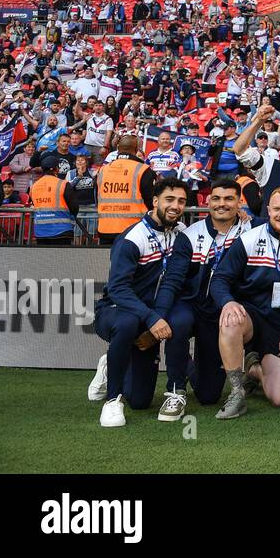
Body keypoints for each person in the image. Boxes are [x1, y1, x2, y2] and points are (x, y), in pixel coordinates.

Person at [88, 178, 194, 428]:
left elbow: (173, 282)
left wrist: (156, 319)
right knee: (127, 323)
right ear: (155, 201)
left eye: (181, 201)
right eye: (169, 199)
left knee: (140, 400)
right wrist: (151, 319)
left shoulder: (181, 236)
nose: (175, 206)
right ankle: (112, 400)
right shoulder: (133, 237)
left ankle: (114, 362)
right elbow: (118, 288)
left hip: (150, 314)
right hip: (118, 310)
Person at [210, 187, 280, 419]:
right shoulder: (249, 238)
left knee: (279, 397)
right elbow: (220, 278)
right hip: (249, 317)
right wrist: (228, 302)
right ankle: (237, 393)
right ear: (268, 210)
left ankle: (254, 370)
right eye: (277, 209)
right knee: (230, 320)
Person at [177, 177, 251, 409]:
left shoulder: (251, 229)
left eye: (229, 199)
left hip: (221, 315)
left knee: (208, 396)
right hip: (193, 307)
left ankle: (189, 365)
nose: (222, 204)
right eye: (217, 198)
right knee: (176, 325)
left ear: (239, 203)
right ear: (208, 202)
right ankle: (175, 378)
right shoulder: (190, 234)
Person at [95, 135, 156, 246]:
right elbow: (151, 201)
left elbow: (96, 197)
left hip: (105, 228)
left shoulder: (103, 170)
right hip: (134, 230)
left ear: (118, 148)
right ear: (137, 149)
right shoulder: (142, 169)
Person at [29, 153, 80, 245]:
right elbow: (74, 207)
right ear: (56, 169)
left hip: (40, 231)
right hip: (61, 230)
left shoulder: (34, 186)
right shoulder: (63, 184)